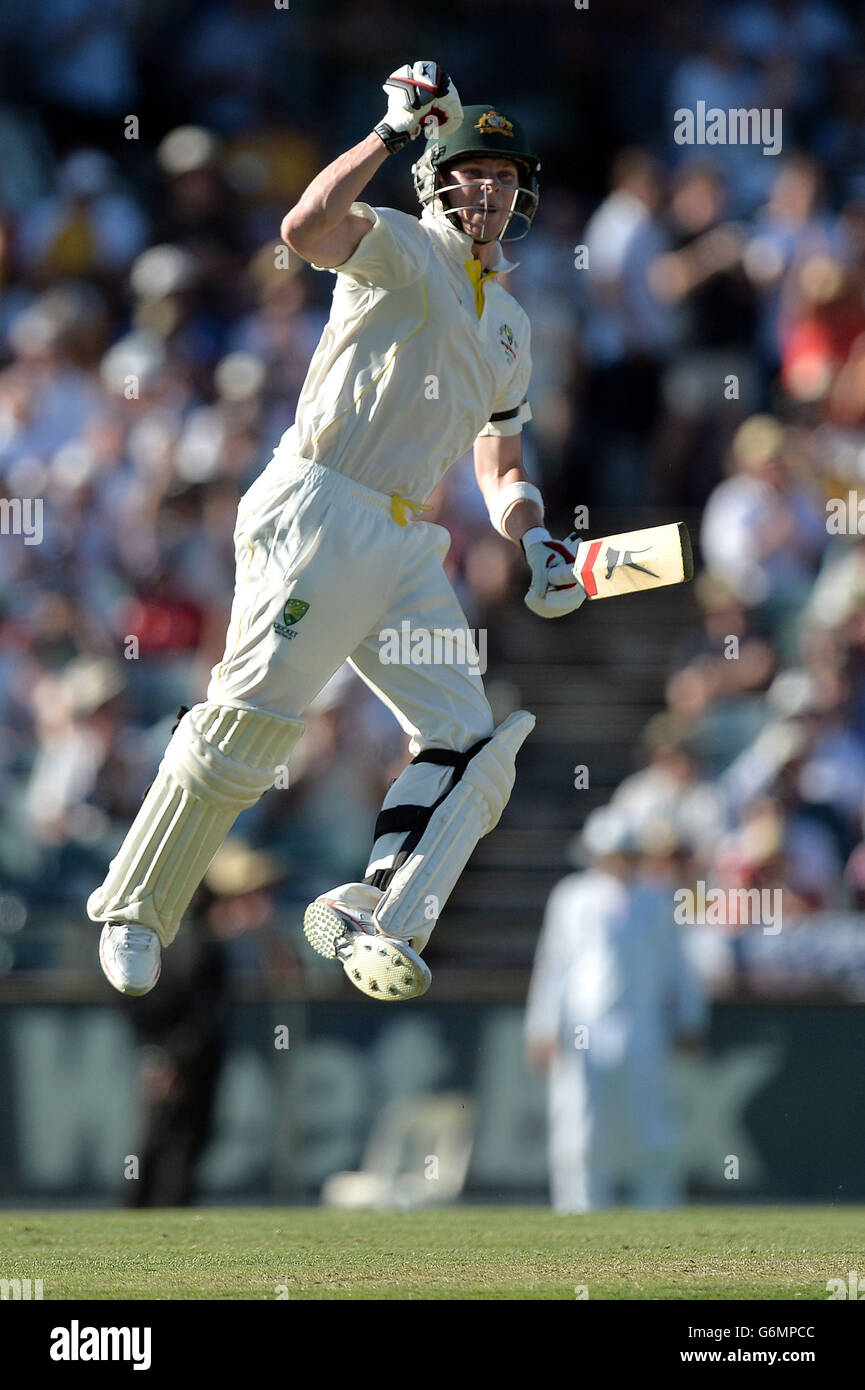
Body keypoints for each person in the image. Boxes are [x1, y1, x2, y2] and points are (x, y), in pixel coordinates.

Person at [90, 61, 586, 1003]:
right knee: (248, 729)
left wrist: (532, 541)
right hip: (321, 506)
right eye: (471, 172)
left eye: (506, 177)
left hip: (405, 539)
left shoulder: (513, 327)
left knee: (473, 741)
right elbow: (304, 229)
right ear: (438, 181)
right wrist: (389, 134)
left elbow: (503, 466)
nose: (489, 190)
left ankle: (381, 908)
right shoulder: (403, 244)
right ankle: (133, 905)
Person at [525, 808, 707, 1211]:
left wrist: (690, 1018)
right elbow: (553, 963)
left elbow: (680, 966)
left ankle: (659, 1212)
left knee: (653, 1125)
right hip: (582, 1028)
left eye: (625, 854)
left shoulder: (658, 899)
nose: (618, 863)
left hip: (644, 1027)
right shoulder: (571, 896)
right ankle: (579, 1214)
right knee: (578, 1126)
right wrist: (542, 1026)